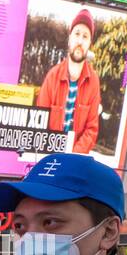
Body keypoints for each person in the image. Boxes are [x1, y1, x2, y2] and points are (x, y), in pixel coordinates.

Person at [35, 9, 101, 155]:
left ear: (90, 43)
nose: (80, 41)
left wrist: (72, 156)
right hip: (49, 155)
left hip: (74, 160)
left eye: (85, 36)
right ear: (69, 38)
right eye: (77, 34)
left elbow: (91, 129)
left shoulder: (94, 81)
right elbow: (40, 121)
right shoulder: (52, 76)